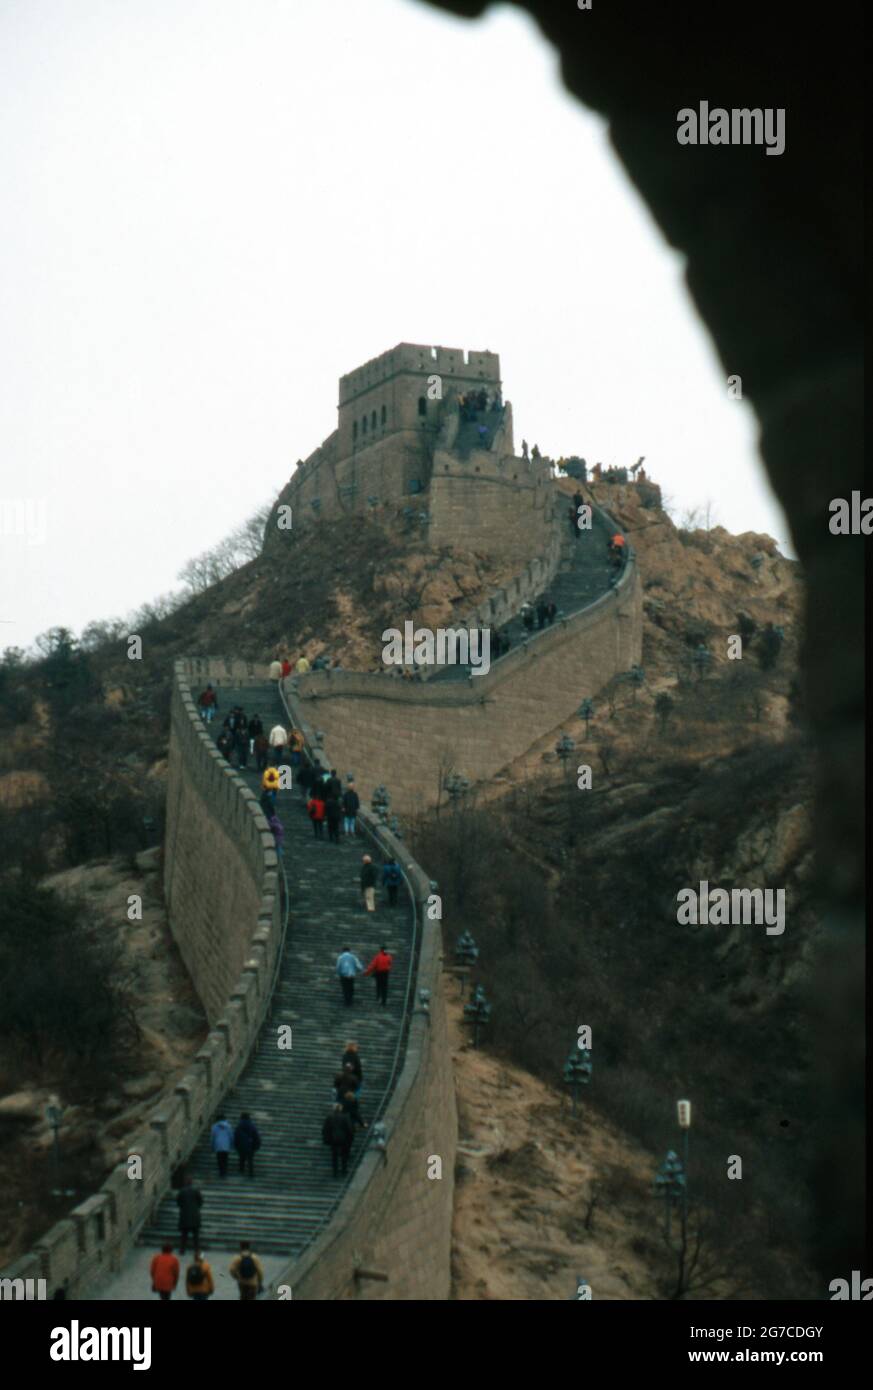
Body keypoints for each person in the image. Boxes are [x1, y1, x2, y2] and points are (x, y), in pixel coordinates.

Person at [322, 1104, 353, 1178]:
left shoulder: (329, 1117)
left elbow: (325, 1129)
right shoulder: (345, 1117)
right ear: (340, 1109)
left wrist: (327, 1139)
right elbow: (349, 1128)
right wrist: (350, 1138)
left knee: (334, 1156)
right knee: (344, 1155)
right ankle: (344, 1170)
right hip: (343, 1139)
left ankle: (335, 1172)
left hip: (333, 1139)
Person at [176, 1177, 203, 1256]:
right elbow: (200, 1201)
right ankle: (197, 1250)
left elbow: (178, 1201)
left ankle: (182, 1250)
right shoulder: (196, 1191)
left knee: (184, 1235)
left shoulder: (182, 1191)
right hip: (195, 1215)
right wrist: (196, 1208)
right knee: (195, 1235)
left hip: (184, 1215)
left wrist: (183, 1207)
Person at [234, 1112, 262, 1178]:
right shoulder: (252, 1126)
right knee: (250, 1160)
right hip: (250, 1146)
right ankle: (251, 1173)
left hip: (241, 1146)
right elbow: (256, 1136)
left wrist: (236, 1145)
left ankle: (241, 1170)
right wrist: (256, 1145)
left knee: (241, 1158)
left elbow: (236, 1136)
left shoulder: (239, 1126)